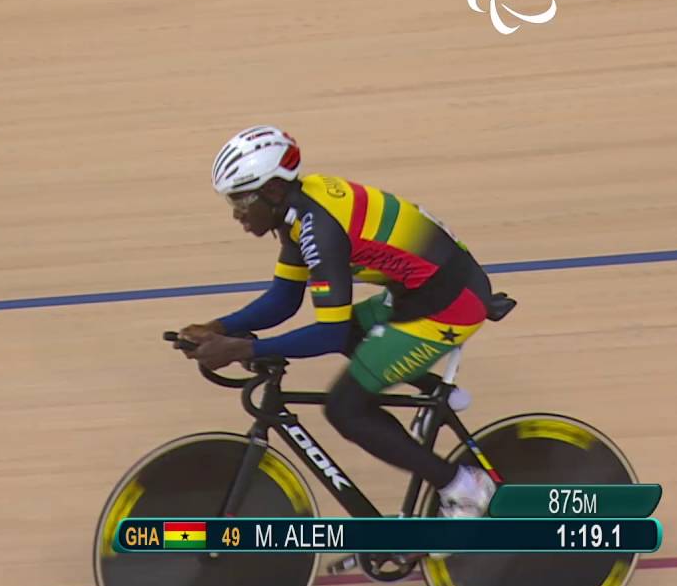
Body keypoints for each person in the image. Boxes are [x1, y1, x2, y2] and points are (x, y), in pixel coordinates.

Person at [176, 125, 497, 518]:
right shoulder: (298, 209)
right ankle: (434, 391)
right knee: (357, 339)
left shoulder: (320, 230)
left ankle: (465, 486)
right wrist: (219, 328)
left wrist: (245, 348)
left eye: (242, 200)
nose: (236, 214)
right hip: (425, 289)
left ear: (274, 190)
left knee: (346, 409)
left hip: (450, 302)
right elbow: (283, 300)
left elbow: (330, 333)